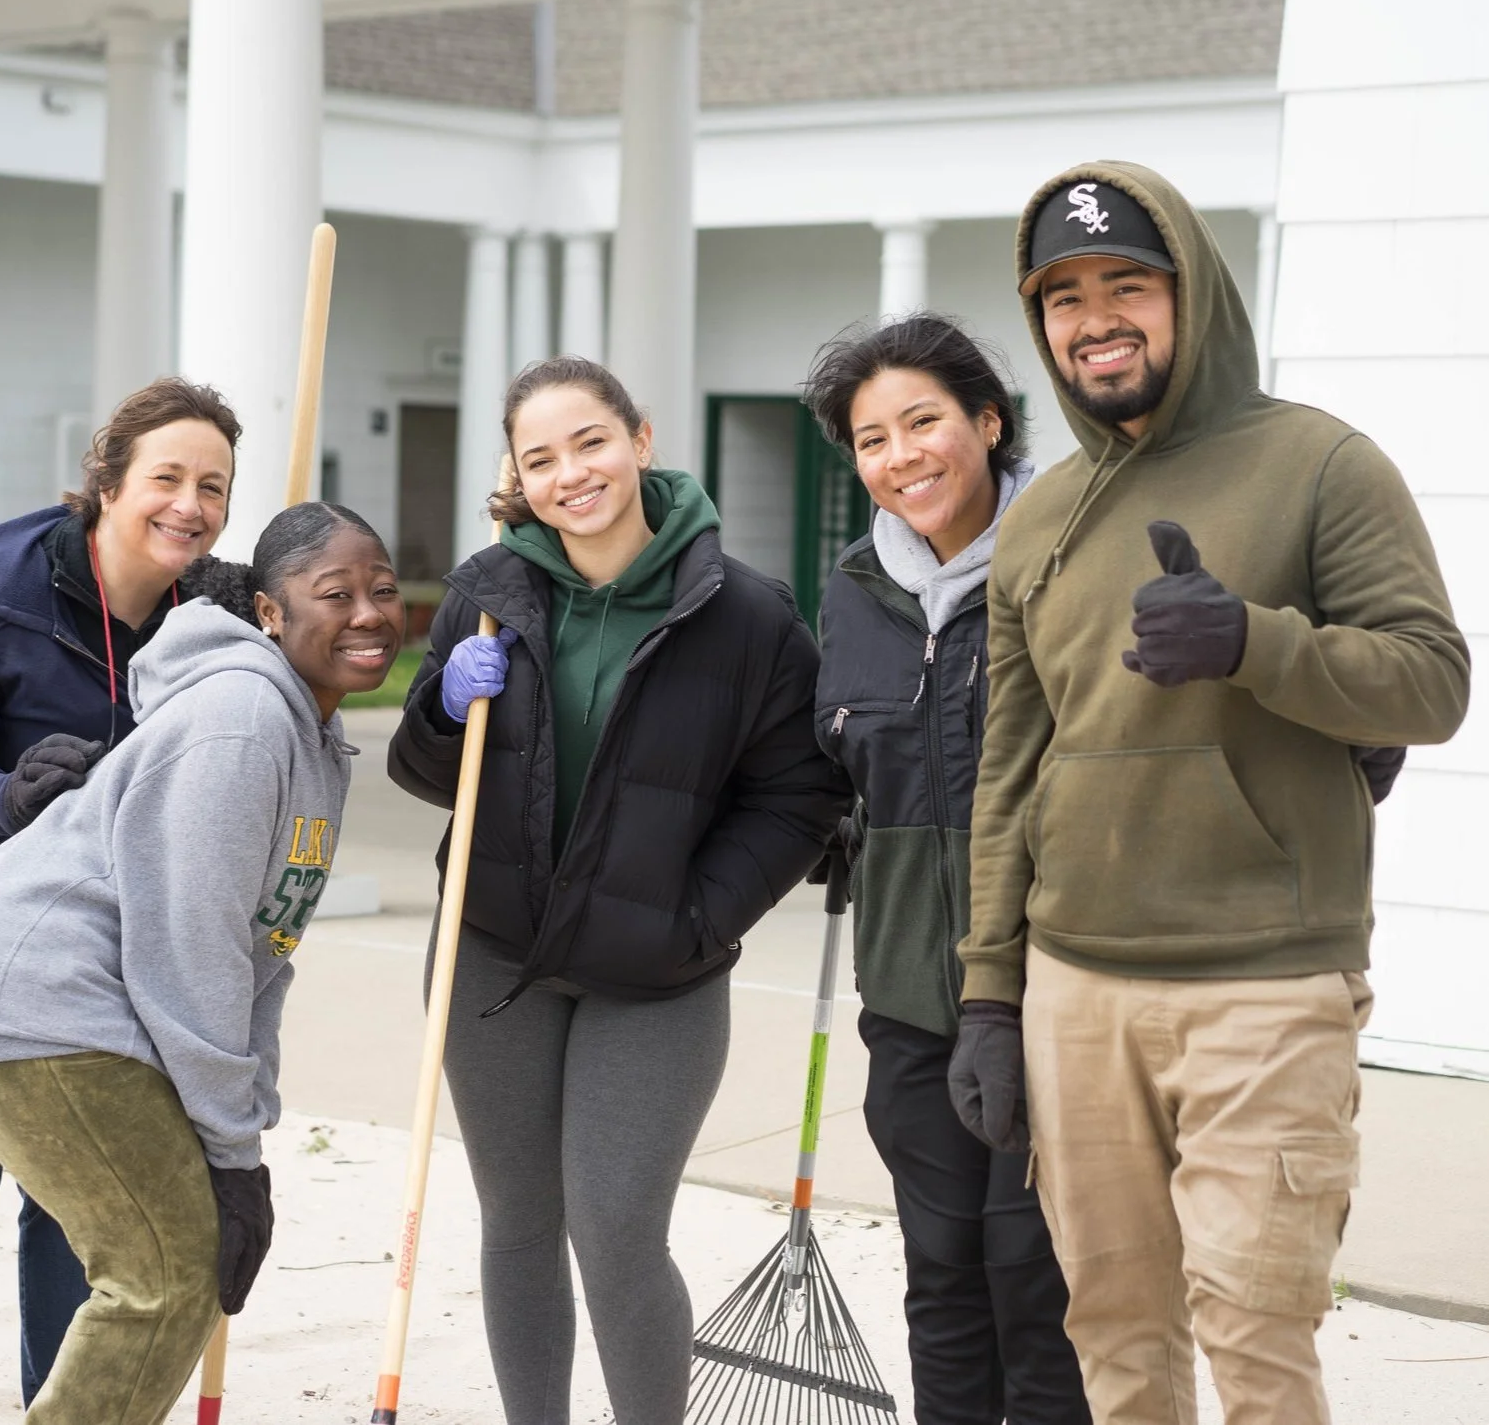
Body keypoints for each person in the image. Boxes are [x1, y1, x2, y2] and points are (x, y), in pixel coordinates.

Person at [949, 162, 1470, 1424]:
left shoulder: (1321, 465)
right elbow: (1011, 764)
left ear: (1191, 291)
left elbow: (1431, 684)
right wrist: (987, 988)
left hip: (1265, 983)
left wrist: (1254, 642)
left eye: (1126, 282)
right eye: (1062, 297)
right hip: (1077, 989)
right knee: (1117, 1339)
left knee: (1254, 1329)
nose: (1094, 317)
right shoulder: (1041, 518)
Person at [388, 355, 850, 1425]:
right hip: (491, 953)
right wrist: (446, 711)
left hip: (654, 977)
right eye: (539, 458)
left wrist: (698, 917)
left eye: (589, 442)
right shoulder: (487, 594)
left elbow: (795, 797)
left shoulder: (746, 616)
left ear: (640, 439)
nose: (570, 474)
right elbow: (424, 772)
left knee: (614, 1224)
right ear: (519, 474)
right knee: (517, 1220)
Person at [0, 501, 401, 1425]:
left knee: (172, 1259)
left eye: (384, 590)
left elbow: (258, 960)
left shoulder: (312, 737)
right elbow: (188, 943)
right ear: (270, 612)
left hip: (65, 1000)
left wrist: (240, 1134)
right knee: (165, 1274)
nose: (367, 612)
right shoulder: (243, 719)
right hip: (19, 996)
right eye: (335, 593)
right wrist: (230, 1158)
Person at [0, 377, 240, 1425]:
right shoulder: (2, 602)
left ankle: (59, 1402)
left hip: (82, 921)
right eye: (165, 477)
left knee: (72, 1191)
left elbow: (326, 600)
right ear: (107, 484)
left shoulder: (204, 607)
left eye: (212, 485)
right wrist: (8, 792)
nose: (189, 503)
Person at [803, 314, 1089, 1425]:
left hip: (1051, 989)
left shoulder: (1067, 558)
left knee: (1037, 1278)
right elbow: (828, 758)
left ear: (987, 420)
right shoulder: (850, 592)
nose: (900, 456)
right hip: (910, 1000)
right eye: (871, 439)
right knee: (942, 1268)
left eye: (923, 421)